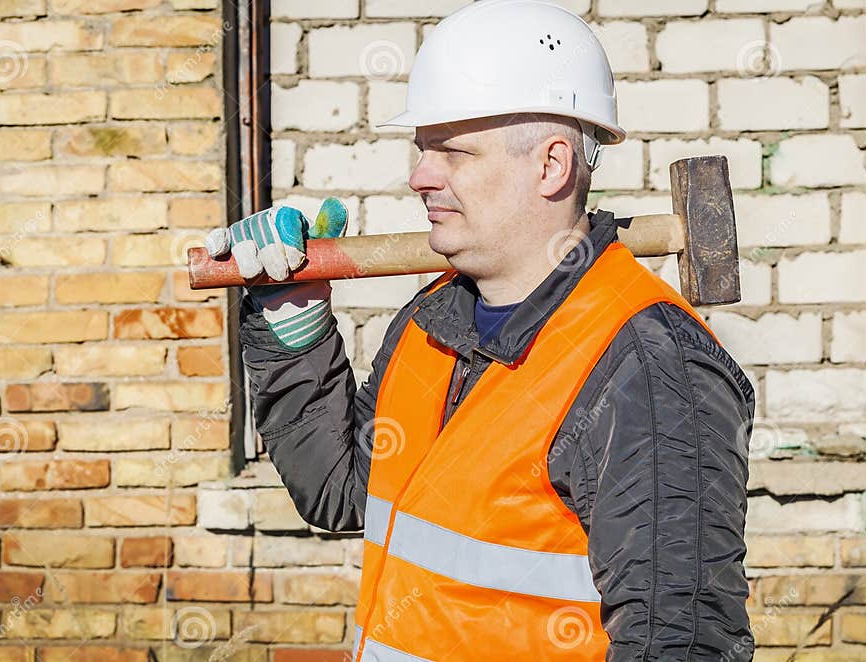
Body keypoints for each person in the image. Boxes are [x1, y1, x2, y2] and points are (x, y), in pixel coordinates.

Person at [205, 1, 756, 659]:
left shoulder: (650, 369)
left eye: (453, 153)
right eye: (421, 150)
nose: (419, 176)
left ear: (551, 166)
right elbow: (342, 494)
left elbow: (680, 643)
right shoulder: (433, 319)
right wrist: (289, 323)